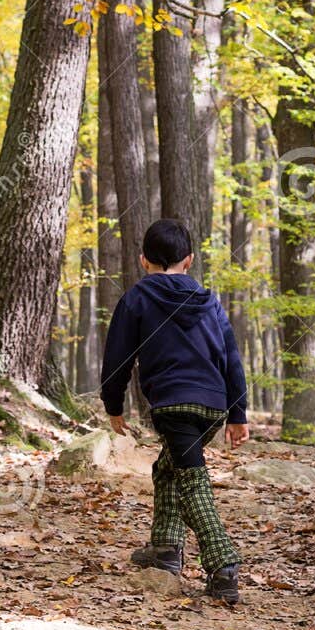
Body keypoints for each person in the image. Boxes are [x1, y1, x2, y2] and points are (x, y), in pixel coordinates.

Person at [100, 219, 250, 604]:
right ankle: (166, 550)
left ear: (143, 260)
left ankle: (223, 563)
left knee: (192, 479)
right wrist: (237, 413)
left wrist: (112, 405)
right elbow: (231, 358)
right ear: (189, 260)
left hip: (172, 402)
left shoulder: (137, 298)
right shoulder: (209, 301)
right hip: (213, 405)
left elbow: (118, 357)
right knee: (168, 468)